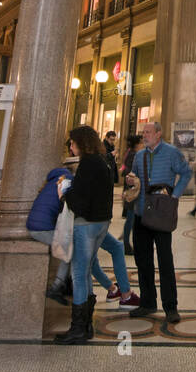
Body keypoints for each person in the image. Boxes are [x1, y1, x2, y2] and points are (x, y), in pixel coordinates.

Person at [54, 125, 116, 345]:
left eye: (72, 142)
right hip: (101, 222)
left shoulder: (88, 164)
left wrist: (63, 195)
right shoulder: (102, 160)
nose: (71, 146)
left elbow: (80, 198)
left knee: (79, 273)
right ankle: (87, 325)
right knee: (87, 269)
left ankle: (78, 329)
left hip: (87, 223)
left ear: (81, 142)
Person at [128, 120, 191, 323]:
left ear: (158, 134)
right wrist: (130, 180)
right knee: (143, 260)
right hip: (141, 213)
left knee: (165, 260)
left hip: (161, 213)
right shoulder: (139, 155)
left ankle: (170, 306)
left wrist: (175, 195)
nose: (144, 135)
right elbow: (135, 176)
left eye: (148, 132)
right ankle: (147, 302)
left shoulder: (171, 153)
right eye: (143, 132)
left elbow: (186, 172)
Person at [27, 162, 76, 303]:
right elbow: (69, 206)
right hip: (42, 229)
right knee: (68, 249)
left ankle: (66, 283)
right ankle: (57, 287)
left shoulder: (52, 181)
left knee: (68, 246)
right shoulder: (67, 182)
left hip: (35, 225)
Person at [119, 134, 143, 255]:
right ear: (137, 144)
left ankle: (127, 241)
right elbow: (132, 174)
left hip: (132, 190)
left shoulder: (131, 153)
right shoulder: (135, 155)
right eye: (141, 142)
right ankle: (126, 244)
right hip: (134, 191)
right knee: (131, 219)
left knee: (132, 218)